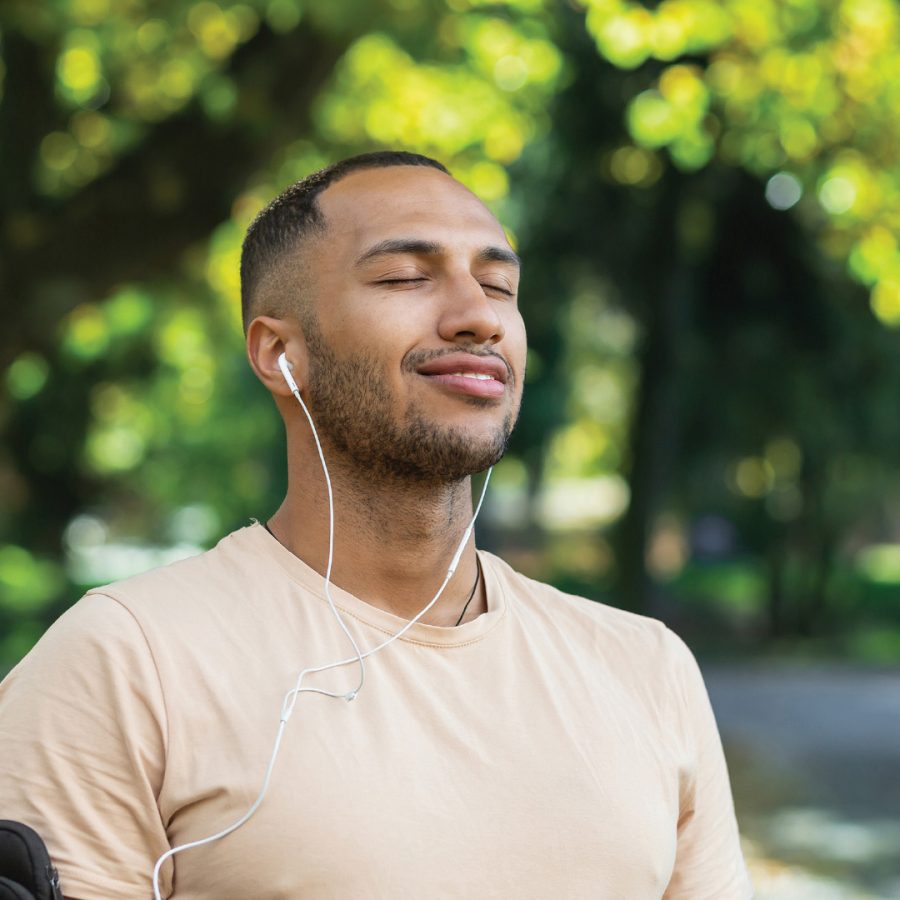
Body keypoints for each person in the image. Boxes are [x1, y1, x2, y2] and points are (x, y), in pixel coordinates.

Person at [0, 151, 753, 899]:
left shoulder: (649, 671)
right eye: (404, 278)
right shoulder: (126, 662)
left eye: (499, 286)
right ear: (279, 352)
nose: (477, 317)